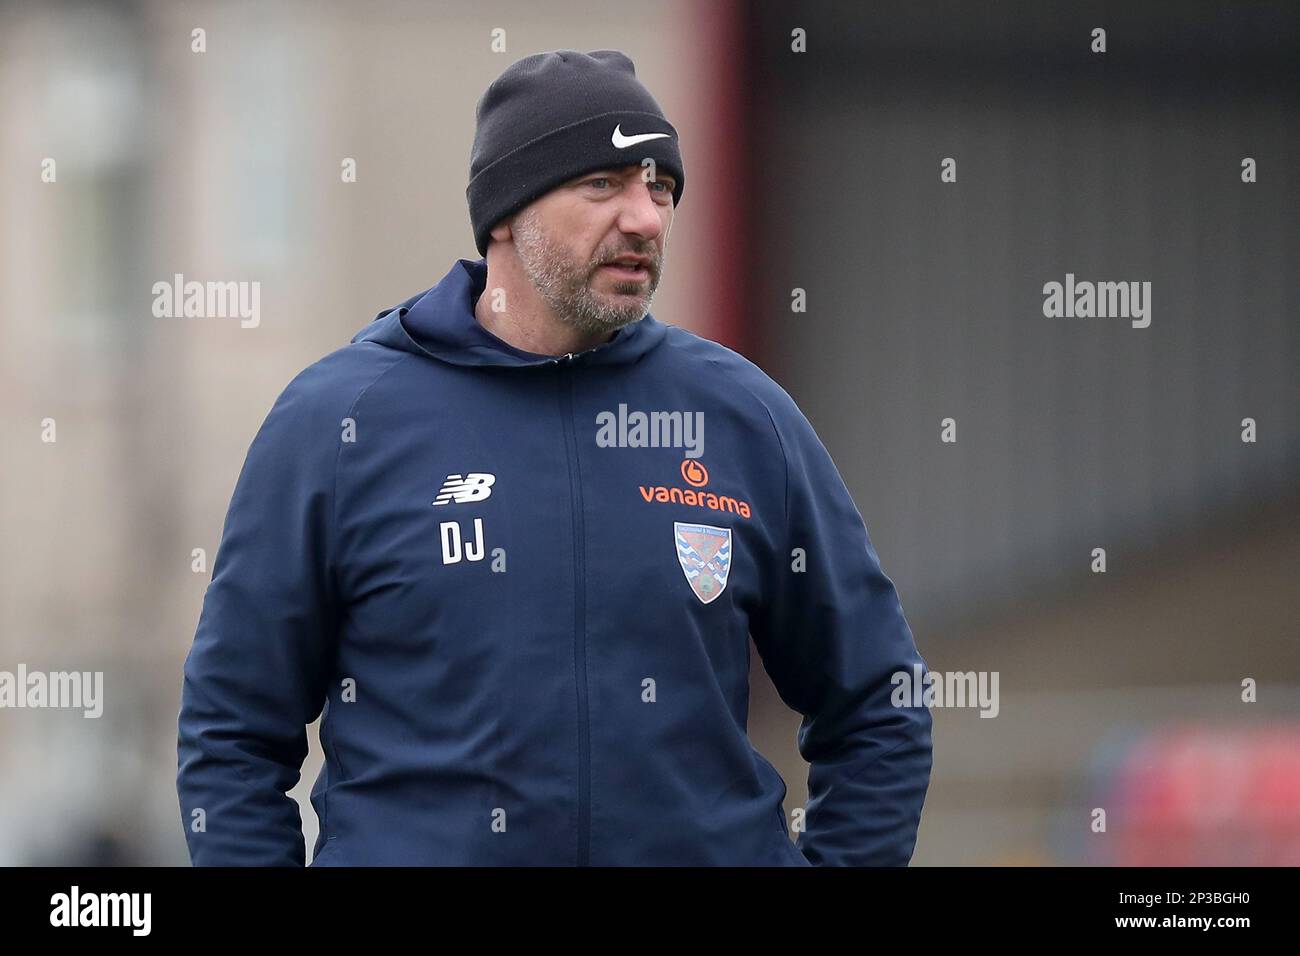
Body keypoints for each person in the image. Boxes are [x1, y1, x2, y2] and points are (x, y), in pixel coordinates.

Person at [177, 48, 933, 867]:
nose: (644, 217)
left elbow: (881, 703)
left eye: (662, 187)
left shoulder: (742, 418)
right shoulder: (338, 422)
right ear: (507, 210)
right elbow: (232, 734)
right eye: (603, 184)